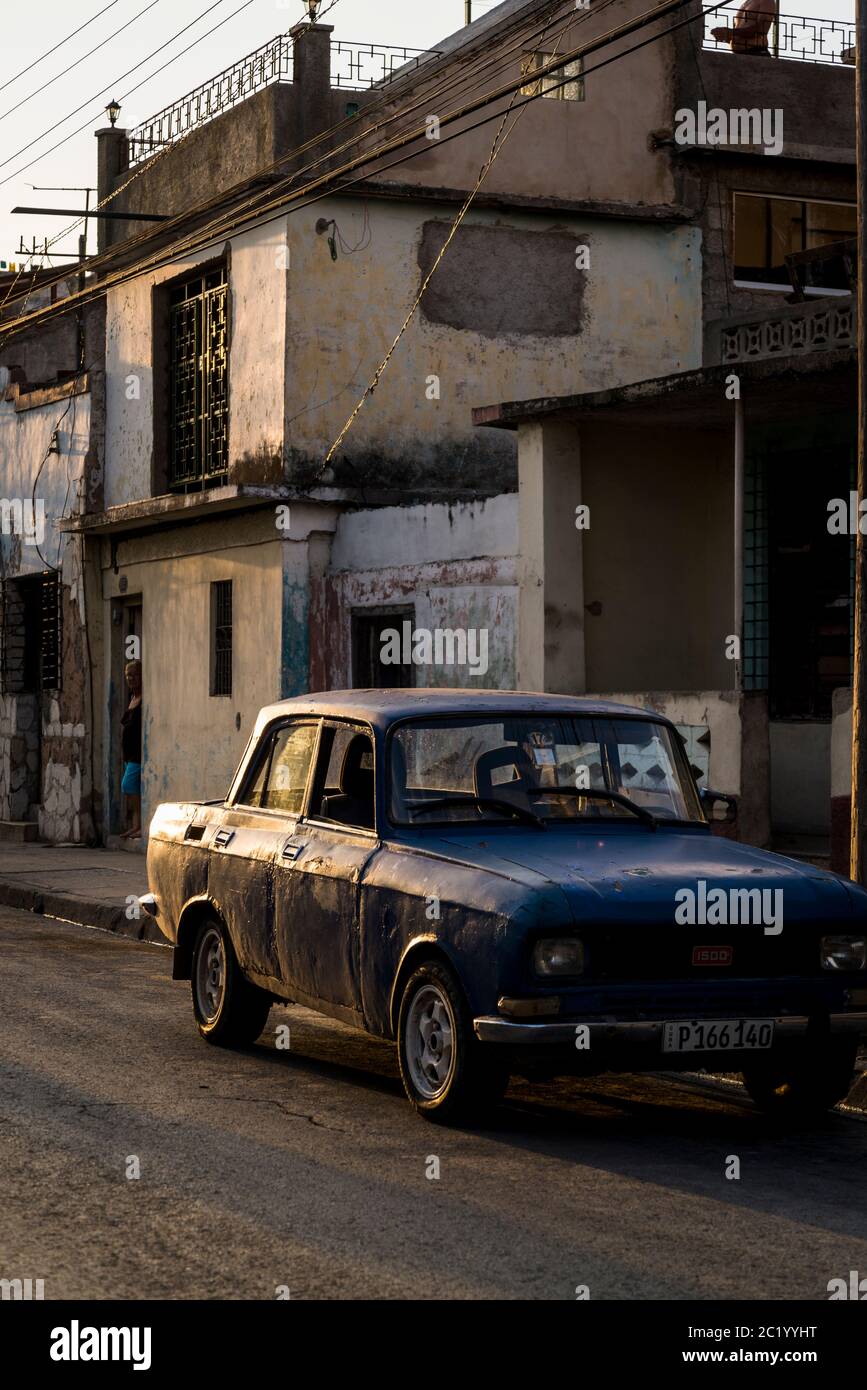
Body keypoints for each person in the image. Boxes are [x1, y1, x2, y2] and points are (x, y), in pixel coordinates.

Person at [120, 659, 143, 839]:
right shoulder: (132, 698)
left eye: (135, 675)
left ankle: (139, 825)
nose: (132, 678)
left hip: (137, 754)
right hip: (129, 755)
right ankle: (135, 826)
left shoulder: (143, 699)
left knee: (128, 785)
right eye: (129, 675)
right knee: (132, 789)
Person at [711, 0, 777, 56]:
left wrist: (730, 32)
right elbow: (738, 33)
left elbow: (761, 30)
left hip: (756, 53)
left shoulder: (767, 1)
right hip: (738, 55)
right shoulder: (746, 3)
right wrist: (724, 35)